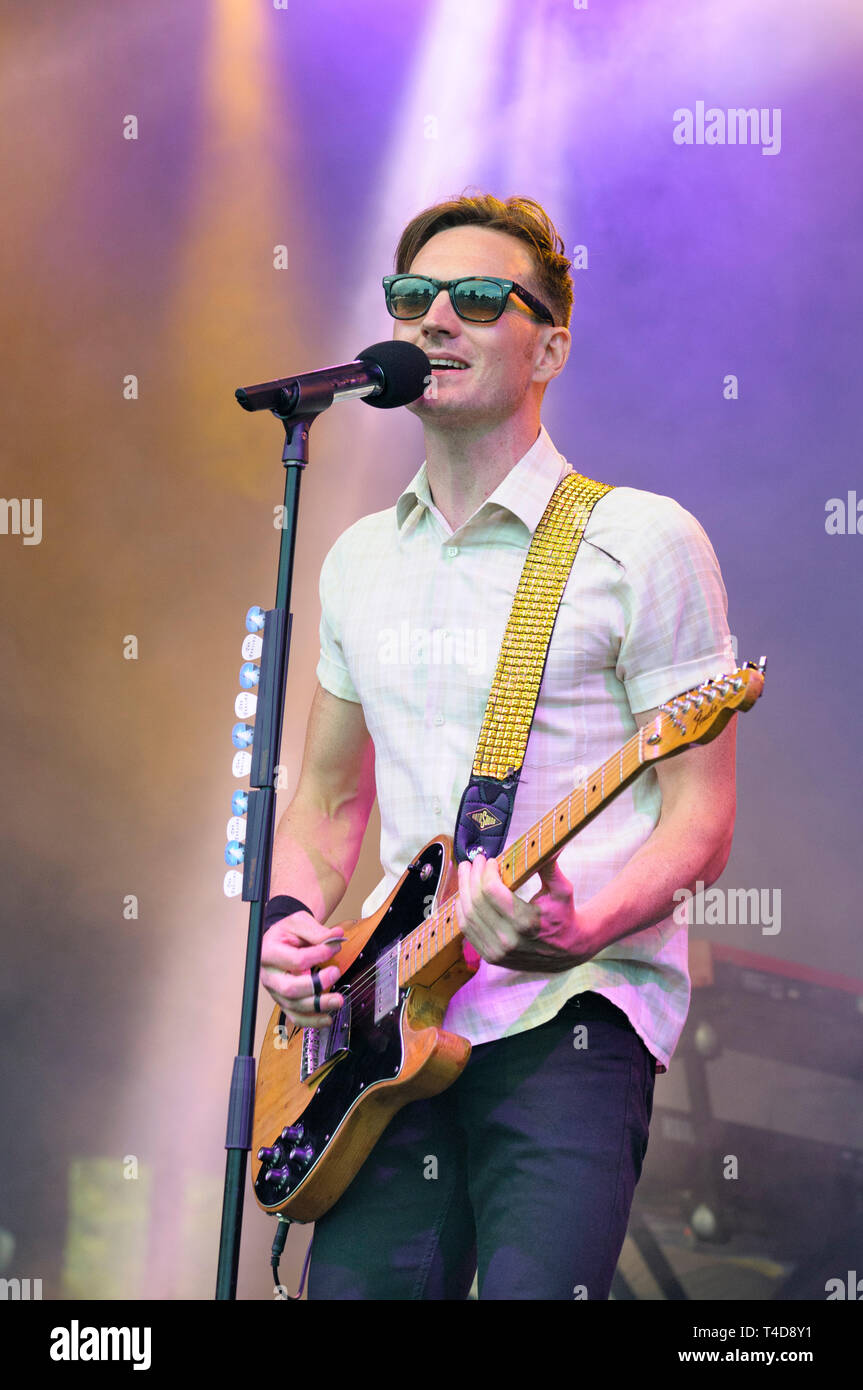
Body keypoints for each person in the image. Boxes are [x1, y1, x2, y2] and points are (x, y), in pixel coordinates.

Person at [259, 192, 737, 1300]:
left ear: (549, 347)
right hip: (387, 1030)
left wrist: (582, 925)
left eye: (477, 298)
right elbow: (327, 806)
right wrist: (289, 926)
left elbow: (698, 822)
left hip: (568, 1015)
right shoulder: (358, 560)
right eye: (412, 296)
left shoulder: (639, 541)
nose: (435, 318)